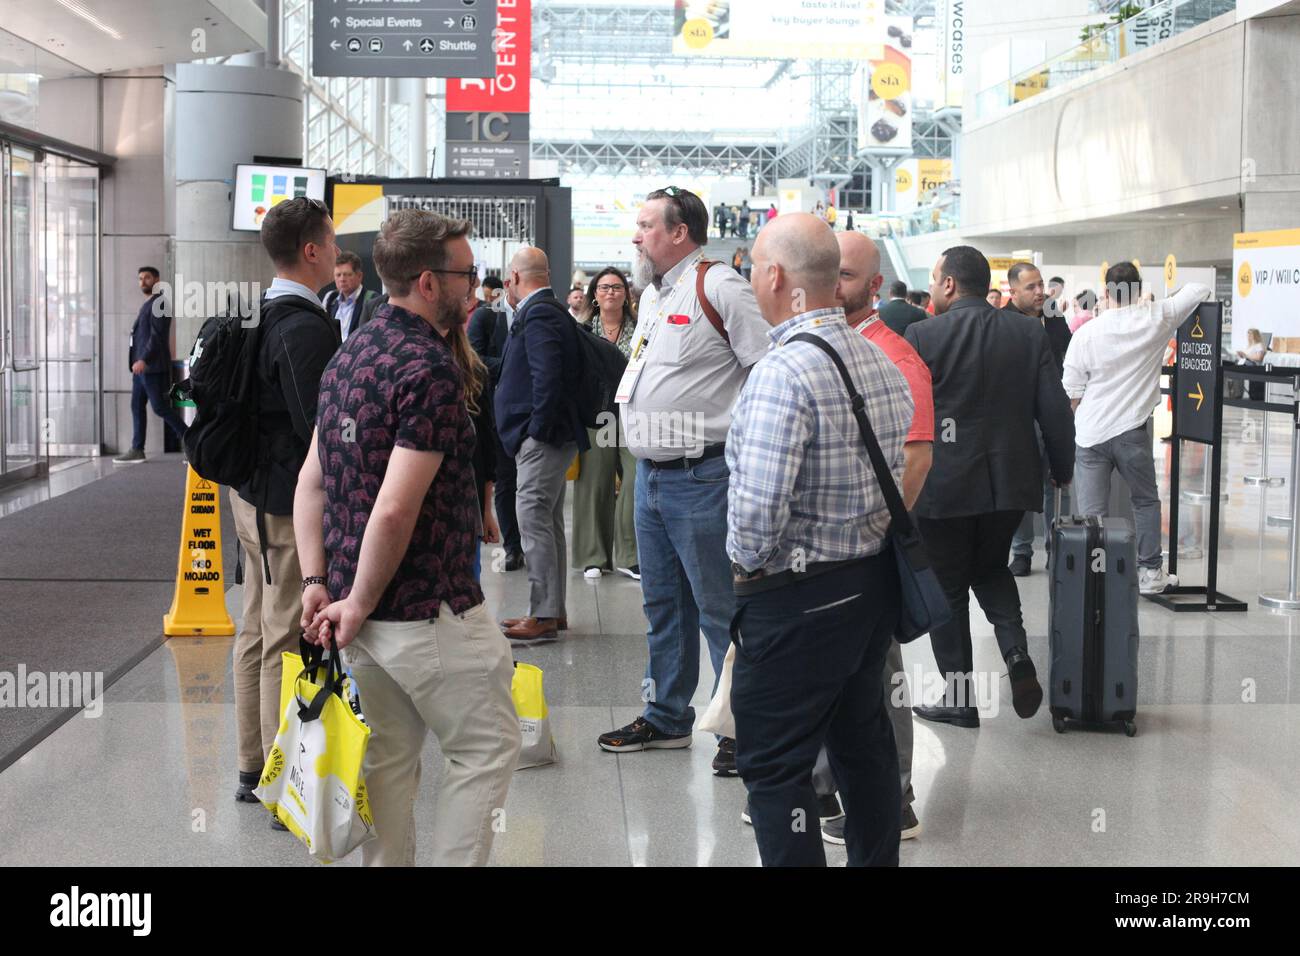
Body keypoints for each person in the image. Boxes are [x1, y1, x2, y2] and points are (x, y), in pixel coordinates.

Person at [294, 208, 520, 866]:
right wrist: (356, 599)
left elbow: (311, 483)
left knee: (389, 761)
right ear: (428, 281)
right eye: (467, 274)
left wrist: (320, 585)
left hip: (362, 621)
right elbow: (394, 508)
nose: (476, 286)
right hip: (430, 612)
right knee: (484, 750)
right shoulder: (430, 371)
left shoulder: (347, 358)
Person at [729, 213, 913, 867]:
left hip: (797, 601)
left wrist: (745, 572)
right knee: (863, 746)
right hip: (868, 590)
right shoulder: (879, 363)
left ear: (775, 275)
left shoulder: (781, 375)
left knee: (778, 770)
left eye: (752, 263)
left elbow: (756, 518)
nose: (749, 275)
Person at [596, 186, 769, 772]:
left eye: (646, 225)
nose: (636, 235)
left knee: (719, 609)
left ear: (679, 233)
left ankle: (740, 729)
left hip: (703, 476)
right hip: (651, 476)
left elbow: (764, 372)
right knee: (662, 604)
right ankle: (668, 716)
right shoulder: (652, 294)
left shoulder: (718, 287)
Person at [904, 246, 1075, 728]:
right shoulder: (1026, 332)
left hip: (944, 487)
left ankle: (960, 700)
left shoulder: (922, 333)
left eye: (936, 278)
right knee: (992, 567)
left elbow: (906, 416)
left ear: (951, 284)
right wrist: (1062, 467)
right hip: (1010, 483)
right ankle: (1017, 655)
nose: (934, 286)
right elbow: (1055, 410)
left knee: (949, 589)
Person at [810, 230, 934, 846]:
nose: (835, 285)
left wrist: (880, 534)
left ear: (876, 285)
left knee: (880, 672)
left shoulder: (894, 354)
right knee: (845, 672)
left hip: (871, 548)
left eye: (849, 276)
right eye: (830, 271)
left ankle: (900, 799)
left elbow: (917, 456)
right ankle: (833, 789)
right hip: (832, 552)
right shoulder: (830, 345)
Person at [229, 197, 340, 819]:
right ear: (311, 250)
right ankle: (278, 781)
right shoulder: (303, 326)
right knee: (283, 638)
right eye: (330, 238)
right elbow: (317, 429)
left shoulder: (257, 312)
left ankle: (252, 764)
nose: (335, 249)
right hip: (282, 506)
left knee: (254, 629)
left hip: (249, 496)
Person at [1063, 262, 1211, 594]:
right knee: (1144, 501)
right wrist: (1151, 301)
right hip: (1132, 431)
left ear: (1104, 292)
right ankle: (1149, 574)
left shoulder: (1087, 332)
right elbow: (1199, 289)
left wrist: (1083, 417)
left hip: (1090, 435)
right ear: (1139, 288)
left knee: (1093, 514)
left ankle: (1094, 576)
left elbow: (1071, 387)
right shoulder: (1157, 316)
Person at [495, 248, 587, 644]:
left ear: (515, 277)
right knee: (546, 521)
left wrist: (536, 430)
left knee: (532, 516)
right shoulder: (548, 310)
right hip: (548, 435)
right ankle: (554, 611)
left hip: (543, 438)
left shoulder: (540, 313)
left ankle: (544, 614)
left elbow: (546, 377)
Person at [1004, 262, 1073, 575]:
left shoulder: (1053, 315)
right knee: (1021, 485)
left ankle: (1057, 548)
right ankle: (1021, 552)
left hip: (1054, 410)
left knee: (1057, 482)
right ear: (1014, 291)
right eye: (1030, 287)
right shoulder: (1003, 321)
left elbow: (1069, 354)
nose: (1039, 291)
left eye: (1040, 284)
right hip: (1018, 414)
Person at [572, 267, 640, 581]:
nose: (610, 292)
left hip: (632, 412)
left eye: (616, 287)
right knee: (594, 483)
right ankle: (593, 557)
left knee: (636, 477)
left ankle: (630, 555)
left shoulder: (641, 329)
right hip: (595, 413)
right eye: (604, 288)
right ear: (595, 295)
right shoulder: (582, 329)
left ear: (626, 294)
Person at [469, 275, 523, 570]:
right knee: (505, 480)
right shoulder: (486, 316)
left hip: (530, 412)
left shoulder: (535, 315)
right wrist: (514, 365)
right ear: (509, 282)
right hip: (495, 411)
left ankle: (529, 544)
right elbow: (474, 359)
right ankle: (513, 546)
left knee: (530, 484)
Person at [113, 266, 188, 464]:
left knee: (161, 407)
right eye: (140, 278)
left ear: (157, 279)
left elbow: (156, 337)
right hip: (141, 370)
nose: (143, 281)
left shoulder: (159, 303)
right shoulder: (148, 303)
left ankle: (192, 442)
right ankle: (137, 449)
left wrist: (143, 359)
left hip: (152, 368)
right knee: (136, 406)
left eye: (147, 277)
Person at [322, 251, 380, 342]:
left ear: (359, 276)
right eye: (338, 275)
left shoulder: (372, 300)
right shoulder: (330, 299)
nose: (342, 279)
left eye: (347, 274)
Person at [1237, 328, 1267, 402]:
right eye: (1248, 334)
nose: (1248, 336)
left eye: (1250, 334)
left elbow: (1259, 357)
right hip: (1247, 362)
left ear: (1255, 335)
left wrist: (1246, 356)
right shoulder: (1249, 346)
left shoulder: (1259, 345)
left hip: (1254, 365)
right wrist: (1242, 355)